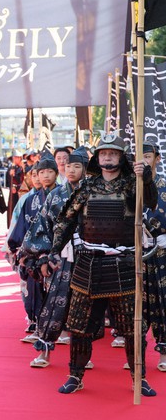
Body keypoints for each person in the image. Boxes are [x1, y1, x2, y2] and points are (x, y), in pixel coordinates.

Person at [47, 131, 157, 396]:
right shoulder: (86, 186)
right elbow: (66, 219)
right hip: (89, 264)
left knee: (133, 327)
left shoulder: (134, 184)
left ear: (122, 158)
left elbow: (150, 202)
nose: (108, 157)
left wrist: (146, 177)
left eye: (113, 153)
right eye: (104, 153)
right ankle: (75, 375)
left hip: (125, 263)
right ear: (98, 158)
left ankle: (138, 378)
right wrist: (54, 250)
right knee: (79, 325)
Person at [23, 147, 90, 368]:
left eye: (76, 166)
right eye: (68, 165)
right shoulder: (56, 195)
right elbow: (42, 228)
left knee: (85, 310)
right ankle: (44, 352)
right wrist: (42, 257)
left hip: (89, 258)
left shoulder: (93, 193)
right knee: (53, 305)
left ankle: (82, 358)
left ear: (85, 169)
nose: (70, 170)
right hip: (61, 258)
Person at [8, 153, 58, 343]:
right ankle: (38, 326)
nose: (44, 176)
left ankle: (58, 330)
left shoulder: (64, 195)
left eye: (49, 171)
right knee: (35, 290)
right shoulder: (30, 200)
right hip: (34, 254)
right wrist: (19, 251)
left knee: (57, 293)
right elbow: (22, 228)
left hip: (59, 253)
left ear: (56, 173)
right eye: (40, 172)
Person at [141, 142, 166, 373]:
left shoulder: (164, 185)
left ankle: (164, 350)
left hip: (162, 251)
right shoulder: (130, 186)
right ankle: (136, 355)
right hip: (135, 251)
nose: (143, 160)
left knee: (162, 301)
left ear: (156, 158)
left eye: (147, 156)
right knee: (136, 303)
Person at [6, 149, 25, 228]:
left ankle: (20, 227)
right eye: (14, 158)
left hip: (22, 191)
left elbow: (23, 179)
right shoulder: (11, 168)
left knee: (21, 208)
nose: (15, 159)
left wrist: (15, 177)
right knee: (12, 207)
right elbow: (8, 181)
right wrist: (11, 176)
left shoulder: (23, 167)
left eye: (17, 157)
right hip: (13, 191)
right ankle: (11, 227)